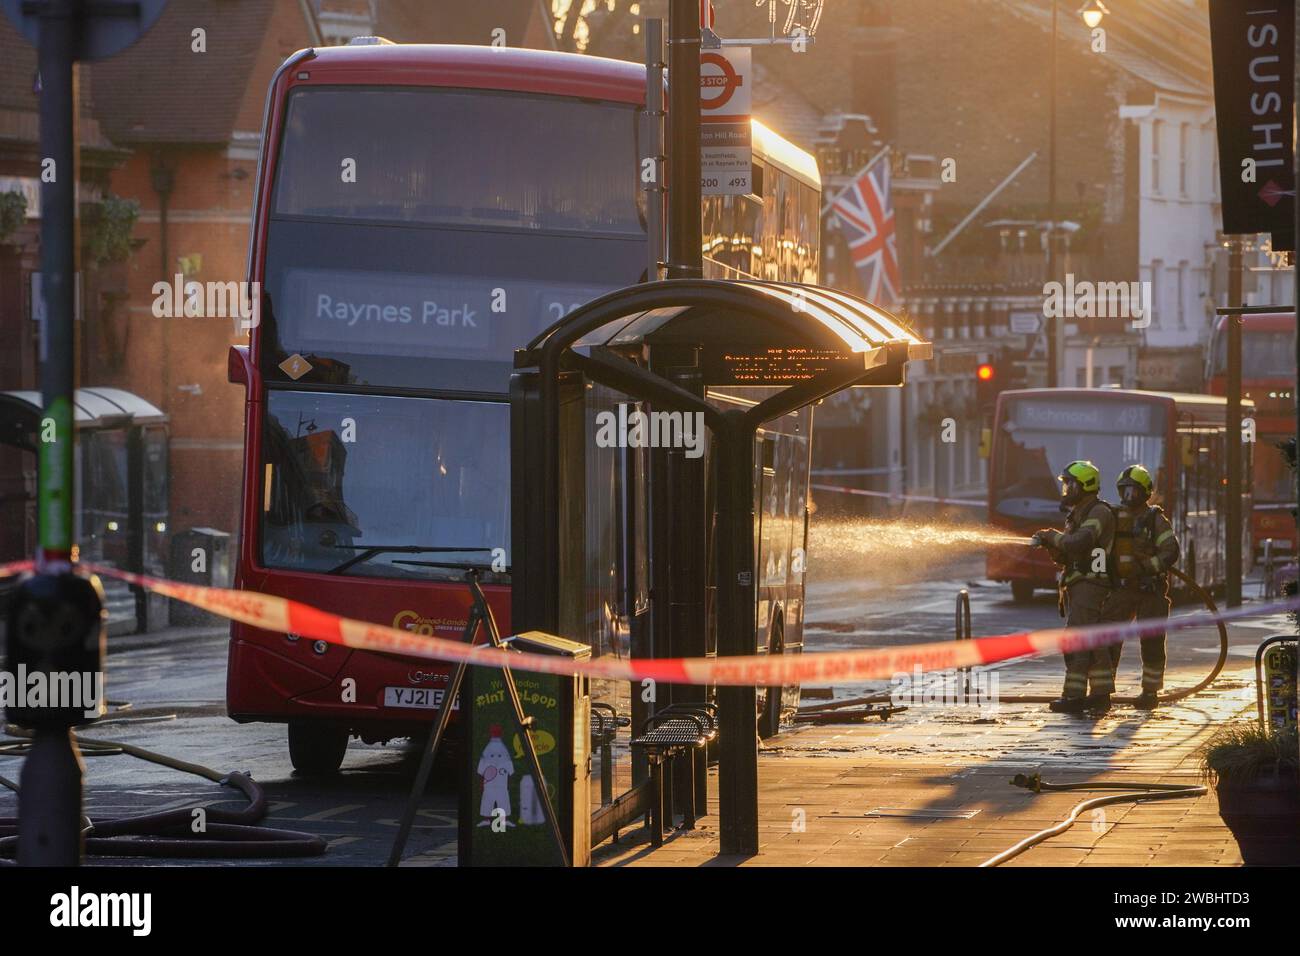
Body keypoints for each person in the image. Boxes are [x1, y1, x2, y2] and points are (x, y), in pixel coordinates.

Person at [1032, 460, 1117, 714]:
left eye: (1071, 484)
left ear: (1085, 485)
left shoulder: (1099, 512)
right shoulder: (1078, 513)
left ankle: (1074, 696)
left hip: (1092, 583)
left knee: (1076, 639)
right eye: (1066, 483)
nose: (1066, 488)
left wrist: (1051, 536)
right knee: (1089, 640)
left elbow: (1080, 542)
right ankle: (1100, 694)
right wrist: (1051, 545)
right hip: (1080, 584)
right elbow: (1067, 553)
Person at [1101, 464, 1181, 710]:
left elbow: (1171, 551)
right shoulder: (1113, 517)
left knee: (1153, 643)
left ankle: (1150, 692)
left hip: (1151, 591)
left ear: (1144, 493)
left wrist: (1146, 566)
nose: (1128, 496)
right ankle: (1102, 691)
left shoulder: (1155, 519)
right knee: (1108, 641)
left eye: (1133, 491)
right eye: (1125, 491)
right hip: (1121, 590)